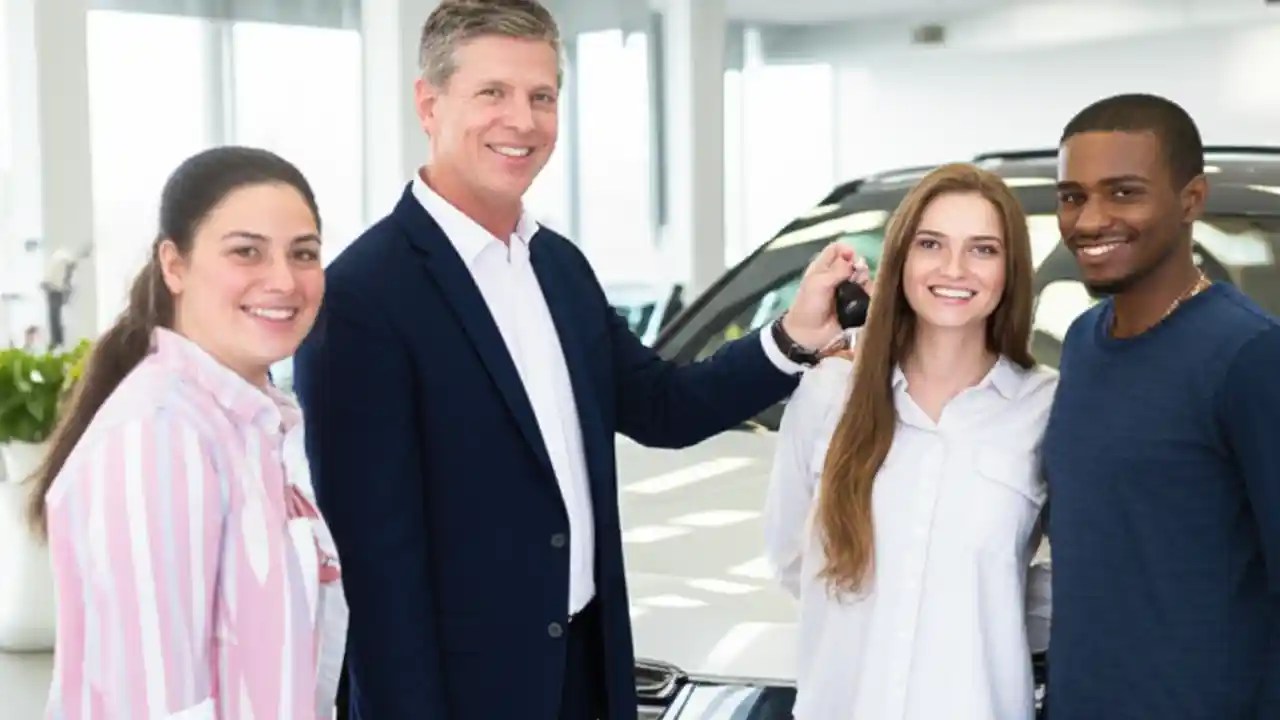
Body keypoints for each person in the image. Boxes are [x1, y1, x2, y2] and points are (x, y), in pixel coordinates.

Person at [290, 1, 860, 718]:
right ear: (428, 104)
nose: (522, 121)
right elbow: (374, 576)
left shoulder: (558, 267)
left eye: (542, 97)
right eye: (492, 93)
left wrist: (793, 337)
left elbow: (662, 405)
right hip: (468, 699)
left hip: (586, 673)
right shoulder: (361, 300)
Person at [28, 146, 347, 720]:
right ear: (173, 264)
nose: (283, 280)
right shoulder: (159, 435)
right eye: (246, 252)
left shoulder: (254, 427)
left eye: (304, 253)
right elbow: (156, 704)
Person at [765, 163, 1055, 720]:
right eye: (931, 244)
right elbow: (791, 559)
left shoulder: (1043, 408)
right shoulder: (830, 391)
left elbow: (1077, 581)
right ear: (901, 259)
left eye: (983, 250)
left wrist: (987, 599)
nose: (954, 268)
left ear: (1010, 270)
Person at [1043, 93, 1280, 719]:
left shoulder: (1249, 355)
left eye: (1124, 192)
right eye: (1072, 196)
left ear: (1191, 199)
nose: (1089, 220)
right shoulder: (1081, 343)